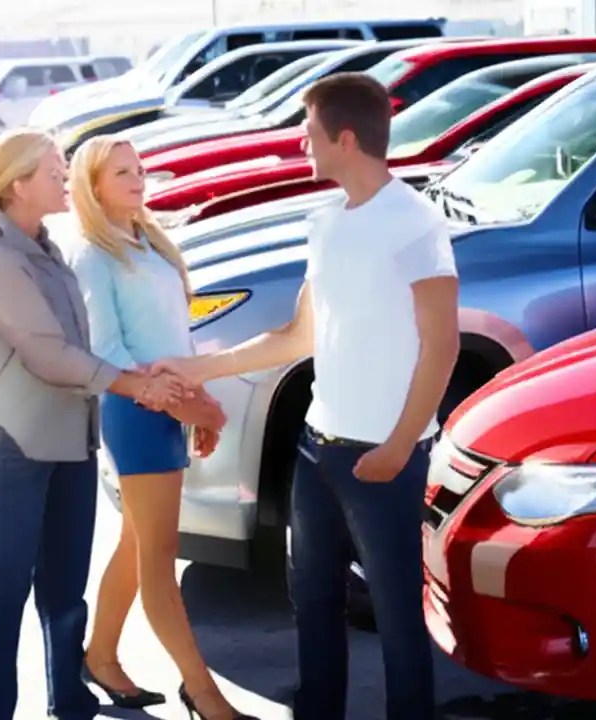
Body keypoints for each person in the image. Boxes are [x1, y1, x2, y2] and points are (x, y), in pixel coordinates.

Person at [153, 73, 460, 720]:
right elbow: (297, 337)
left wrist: (400, 447)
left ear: (345, 139)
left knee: (399, 616)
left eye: (309, 132)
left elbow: (442, 347)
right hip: (318, 449)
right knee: (313, 600)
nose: (301, 143)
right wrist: (199, 368)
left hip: (384, 457)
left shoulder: (414, 223)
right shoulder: (325, 224)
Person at [0, 128, 190, 720]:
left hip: (70, 441)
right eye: (55, 170)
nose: (66, 177)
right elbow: (48, 354)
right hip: (16, 446)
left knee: (64, 588)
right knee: (6, 587)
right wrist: (135, 385)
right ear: (18, 184)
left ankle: (71, 700)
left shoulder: (45, 247)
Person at [68, 136, 253, 720]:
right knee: (158, 557)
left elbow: (173, 337)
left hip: (169, 407)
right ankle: (202, 691)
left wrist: (199, 399)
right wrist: (182, 406)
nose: (137, 179)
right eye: (121, 172)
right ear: (93, 187)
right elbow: (107, 352)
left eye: (139, 168)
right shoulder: (93, 255)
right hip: (137, 413)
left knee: (137, 543)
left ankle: (100, 656)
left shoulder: (148, 239)